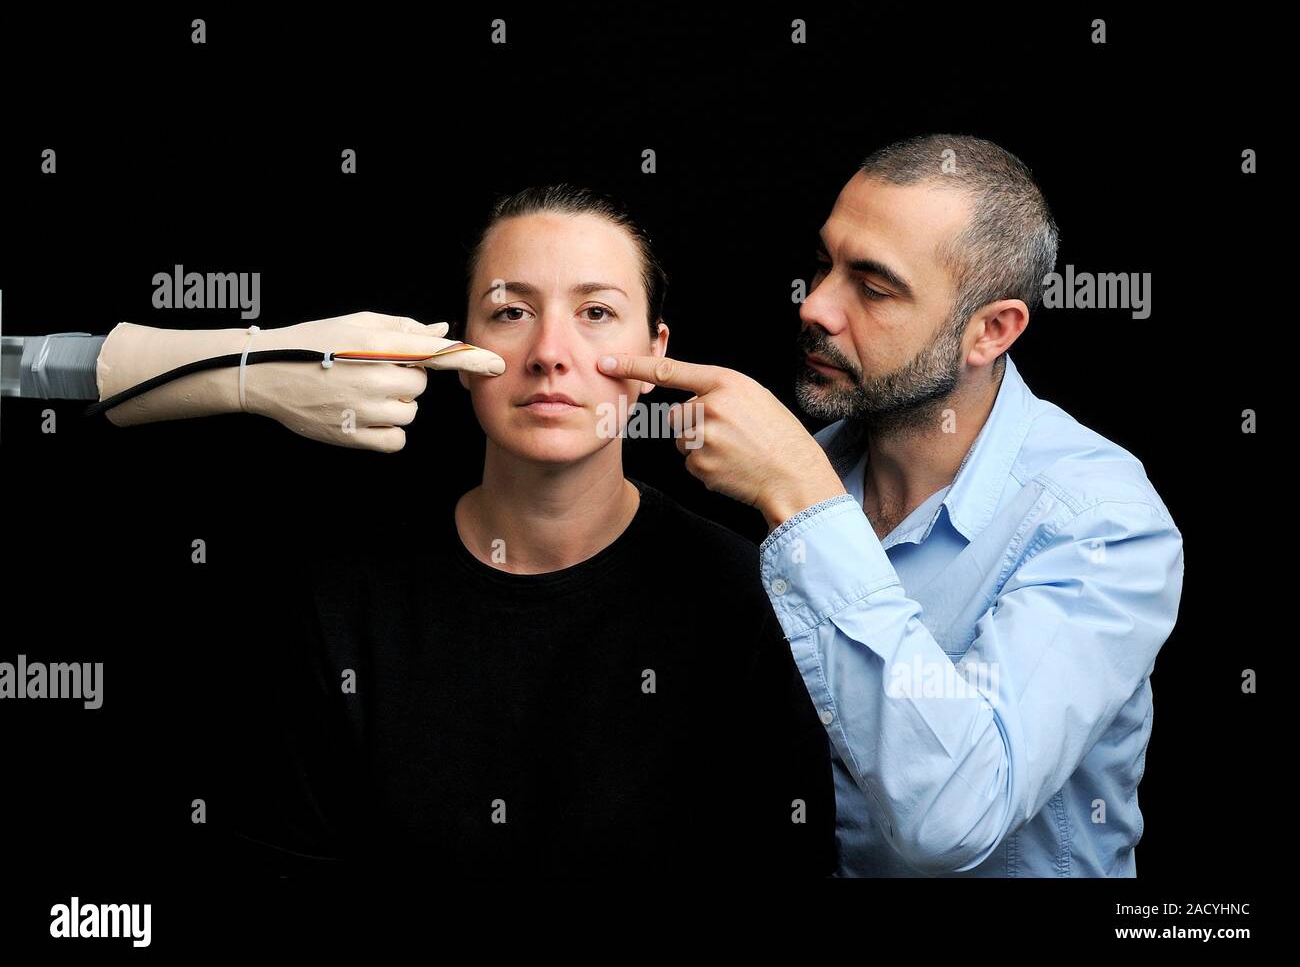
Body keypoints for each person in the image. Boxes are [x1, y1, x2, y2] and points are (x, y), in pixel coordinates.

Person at [595, 134, 1184, 877]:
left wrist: (800, 498)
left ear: (991, 330)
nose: (815, 305)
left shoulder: (1102, 520)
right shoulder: (813, 464)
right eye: (823, 264)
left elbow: (955, 816)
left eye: (873, 287)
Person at [225, 184, 838, 875]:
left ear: (655, 353)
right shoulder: (342, 600)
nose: (550, 351)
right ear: (461, 347)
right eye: (510, 311)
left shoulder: (744, 597)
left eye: (597, 312)